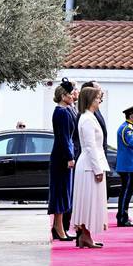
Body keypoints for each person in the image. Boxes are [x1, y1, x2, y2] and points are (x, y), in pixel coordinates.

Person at [72, 85, 109, 248]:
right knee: (88, 202)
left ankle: (86, 236)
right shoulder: (87, 119)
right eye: (97, 98)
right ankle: (85, 236)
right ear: (89, 100)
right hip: (89, 166)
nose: (99, 100)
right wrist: (97, 169)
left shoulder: (90, 117)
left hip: (91, 164)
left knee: (90, 201)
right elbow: (90, 146)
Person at [49, 79, 78, 241]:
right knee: (61, 192)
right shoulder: (61, 112)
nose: (73, 96)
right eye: (70, 94)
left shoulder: (66, 110)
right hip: (61, 157)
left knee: (64, 192)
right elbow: (64, 137)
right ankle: (59, 229)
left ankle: (58, 227)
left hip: (63, 155)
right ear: (63, 96)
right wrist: (69, 157)